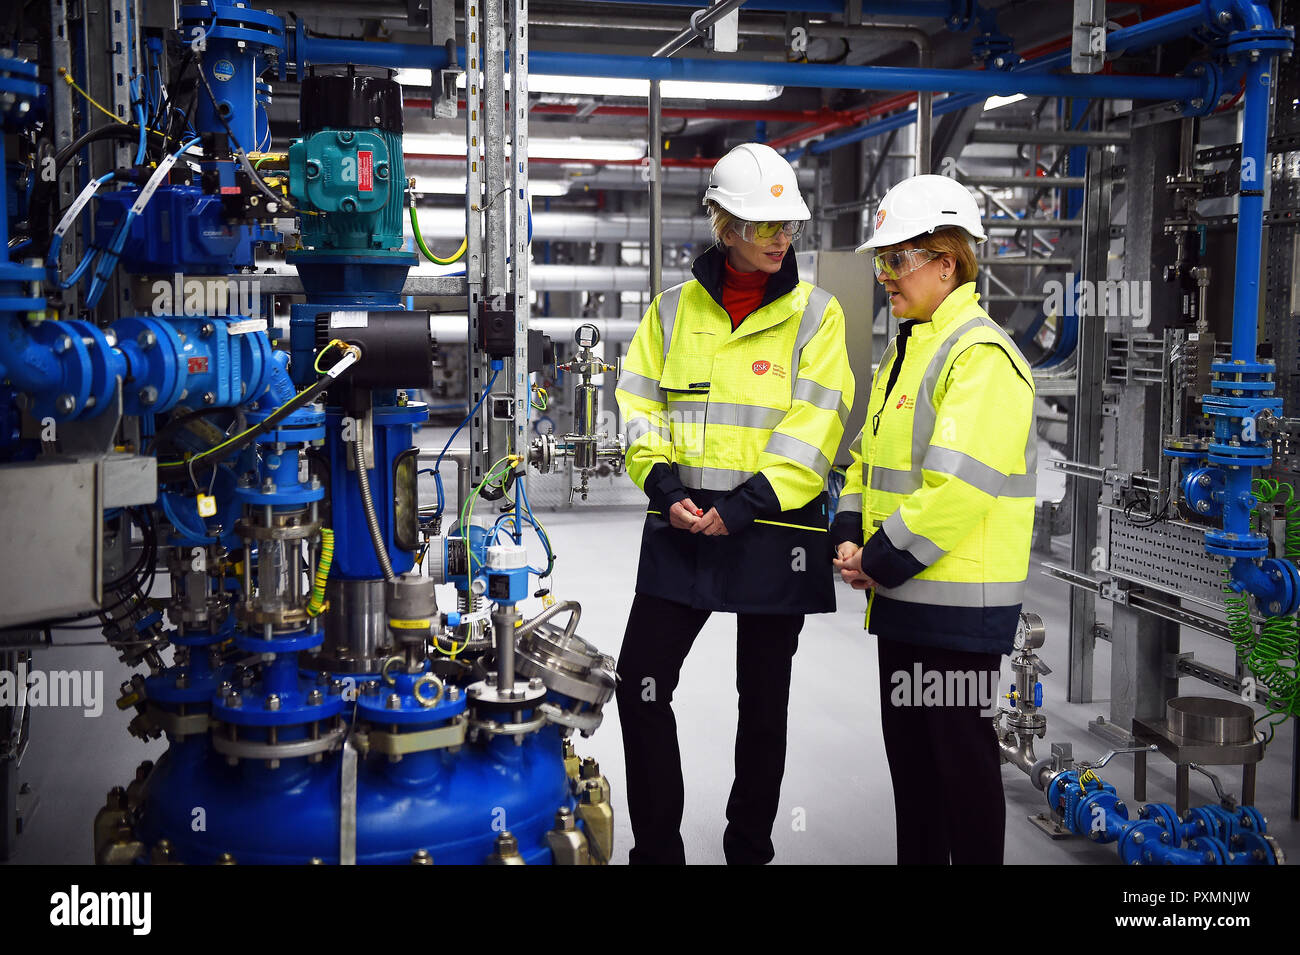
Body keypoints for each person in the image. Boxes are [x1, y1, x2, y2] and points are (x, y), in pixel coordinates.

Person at [614, 142, 855, 865]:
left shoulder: (819, 316)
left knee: (763, 702)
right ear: (724, 225)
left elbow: (817, 422)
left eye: (788, 227)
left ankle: (748, 848)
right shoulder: (669, 313)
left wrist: (747, 503)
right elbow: (636, 406)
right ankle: (659, 850)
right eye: (763, 226)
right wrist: (664, 485)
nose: (781, 239)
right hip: (682, 524)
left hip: (772, 529)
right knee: (641, 686)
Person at [832, 173, 1037, 865]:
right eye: (882, 260)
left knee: (962, 776)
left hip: (958, 615)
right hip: (905, 602)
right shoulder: (909, 349)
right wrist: (848, 530)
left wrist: (878, 558)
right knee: (914, 776)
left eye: (898, 259)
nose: (885, 274)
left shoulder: (980, 356)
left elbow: (955, 488)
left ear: (947, 262)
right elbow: (867, 457)